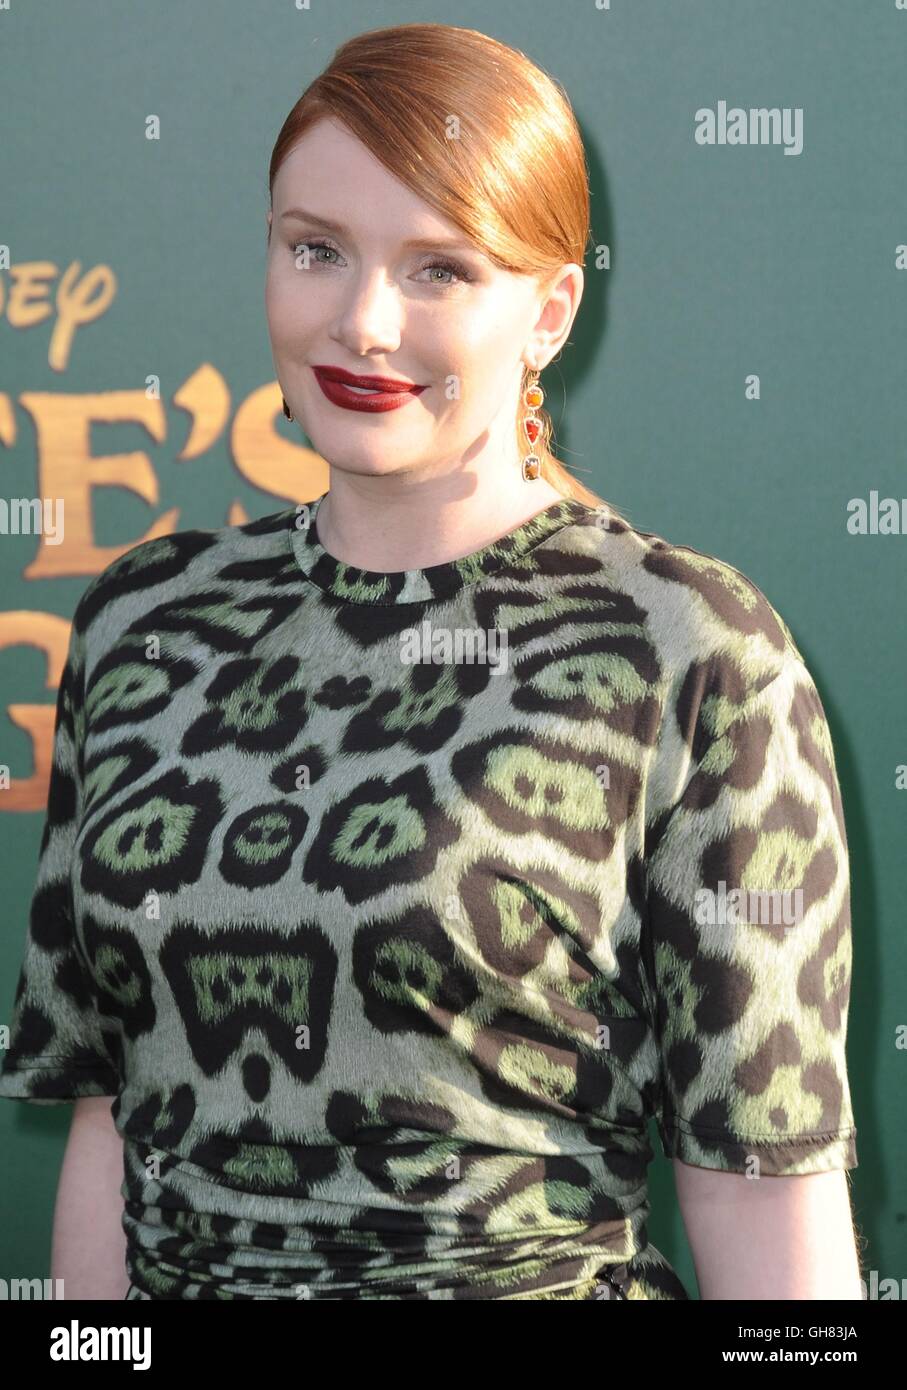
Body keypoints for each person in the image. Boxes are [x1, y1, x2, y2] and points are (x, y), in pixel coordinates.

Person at [0, 22, 861, 1301]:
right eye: (315, 249)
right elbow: (107, 1131)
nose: (361, 322)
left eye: (440, 269)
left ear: (550, 311)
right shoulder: (145, 619)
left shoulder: (690, 649)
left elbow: (768, 1217)